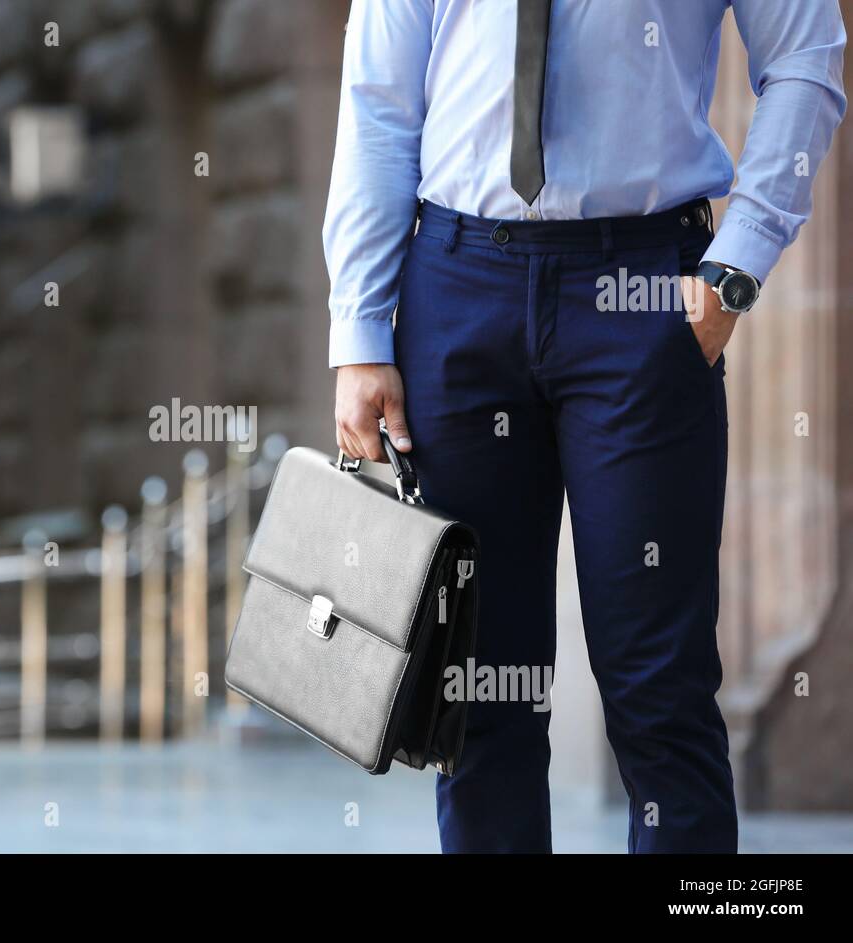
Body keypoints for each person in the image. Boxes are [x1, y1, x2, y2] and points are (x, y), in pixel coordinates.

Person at [323, 0, 846, 853]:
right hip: (456, 290)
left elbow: (807, 54)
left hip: (644, 296)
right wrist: (359, 333)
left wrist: (737, 265)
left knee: (660, 689)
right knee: (480, 692)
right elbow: (380, 100)